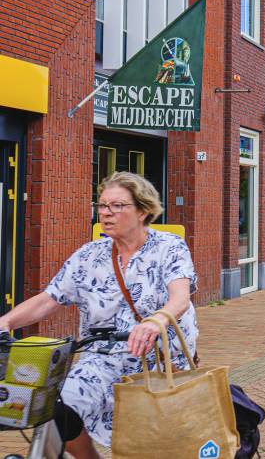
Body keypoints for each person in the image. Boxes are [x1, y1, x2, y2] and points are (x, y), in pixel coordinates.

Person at [0, 172, 197, 459]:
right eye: (102, 205)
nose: (106, 213)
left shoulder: (169, 247)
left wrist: (157, 319)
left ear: (143, 211)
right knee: (61, 408)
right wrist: (6, 322)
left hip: (159, 358)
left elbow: (180, 296)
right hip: (102, 355)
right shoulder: (89, 255)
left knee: (149, 438)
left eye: (117, 206)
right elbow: (50, 298)